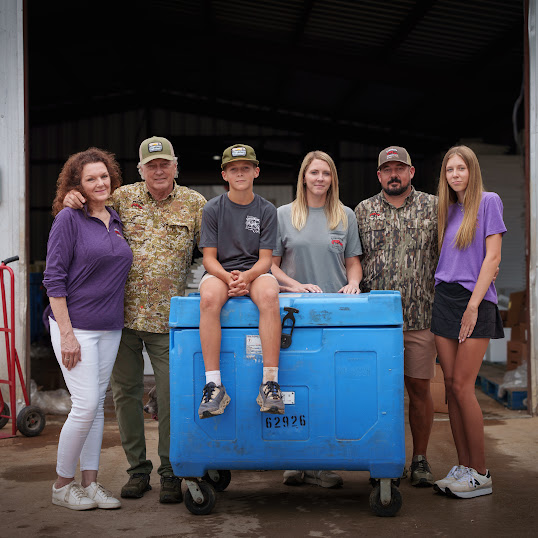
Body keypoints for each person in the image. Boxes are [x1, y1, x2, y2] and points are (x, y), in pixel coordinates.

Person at [62, 136, 206, 503]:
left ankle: (172, 472)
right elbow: (78, 214)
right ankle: (137, 471)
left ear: (176, 165)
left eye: (165, 164)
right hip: (119, 318)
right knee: (125, 395)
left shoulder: (195, 204)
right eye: (151, 165)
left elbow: (211, 253)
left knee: (173, 395)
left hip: (168, 320)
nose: (158, 170)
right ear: (141, 169)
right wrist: (69, 198)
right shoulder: (121, 197)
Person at [44, 148, 133, 510]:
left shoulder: (116, 217)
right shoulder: (69, 218)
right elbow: (54, 279)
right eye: (90, 178)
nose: (100, 183)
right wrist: (66, 334)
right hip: (75, 325)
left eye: (104, 176)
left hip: (109, 327)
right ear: (76, 185)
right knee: (84, 406)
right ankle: (62, 485)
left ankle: (90, 483)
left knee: (97, 407)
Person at [272, 150, 363, 488]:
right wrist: (297, 286)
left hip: (334, 315)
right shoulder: (284, 215)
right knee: (296, 386)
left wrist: (353, 282)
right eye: (314, 173)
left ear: (332, 179)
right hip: (293, 315)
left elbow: (353, 260)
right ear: (304, 177)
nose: (320, 178)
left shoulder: (344, 215)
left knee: (328, 387)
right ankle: (295, 461)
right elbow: (270, 265)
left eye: (326, 173)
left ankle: (321, 462)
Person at [355, 146, 438, 487]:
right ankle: (380, 458)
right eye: (387, 169)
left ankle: (419, 459)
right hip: (375, 322)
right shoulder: (363, 211)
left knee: (418, 390)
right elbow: (351, 261)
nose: (394, 174)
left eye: (399, 168)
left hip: (420, 316)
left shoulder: (435, 207)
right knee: (375, 393)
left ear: (411, 172)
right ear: (378, 175)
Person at [431, 146, 505, 499]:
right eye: (450, 170)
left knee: (463, 386)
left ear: (472, 171)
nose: (456, 174)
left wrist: (474, 306)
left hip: (474, 300)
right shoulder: (448, 209)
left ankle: (481, 472)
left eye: (461, 168)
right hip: (444, 298)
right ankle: (463, 468)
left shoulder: (488, 202)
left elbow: (492, 259)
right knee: (449, 386)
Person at [197, 143, 284, 418]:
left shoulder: (267, 210)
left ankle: (270, 383)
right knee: (209, 297)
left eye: (246, 168)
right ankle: (214, 384)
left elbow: (265, 260)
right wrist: (229, 278)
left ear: (256, 171)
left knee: (270, 294)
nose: (240, 173)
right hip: (220, 272)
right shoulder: (212, 209)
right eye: (233, 169)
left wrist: (246, 278)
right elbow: (208, 258)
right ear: (224, 175)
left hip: (254, 272)